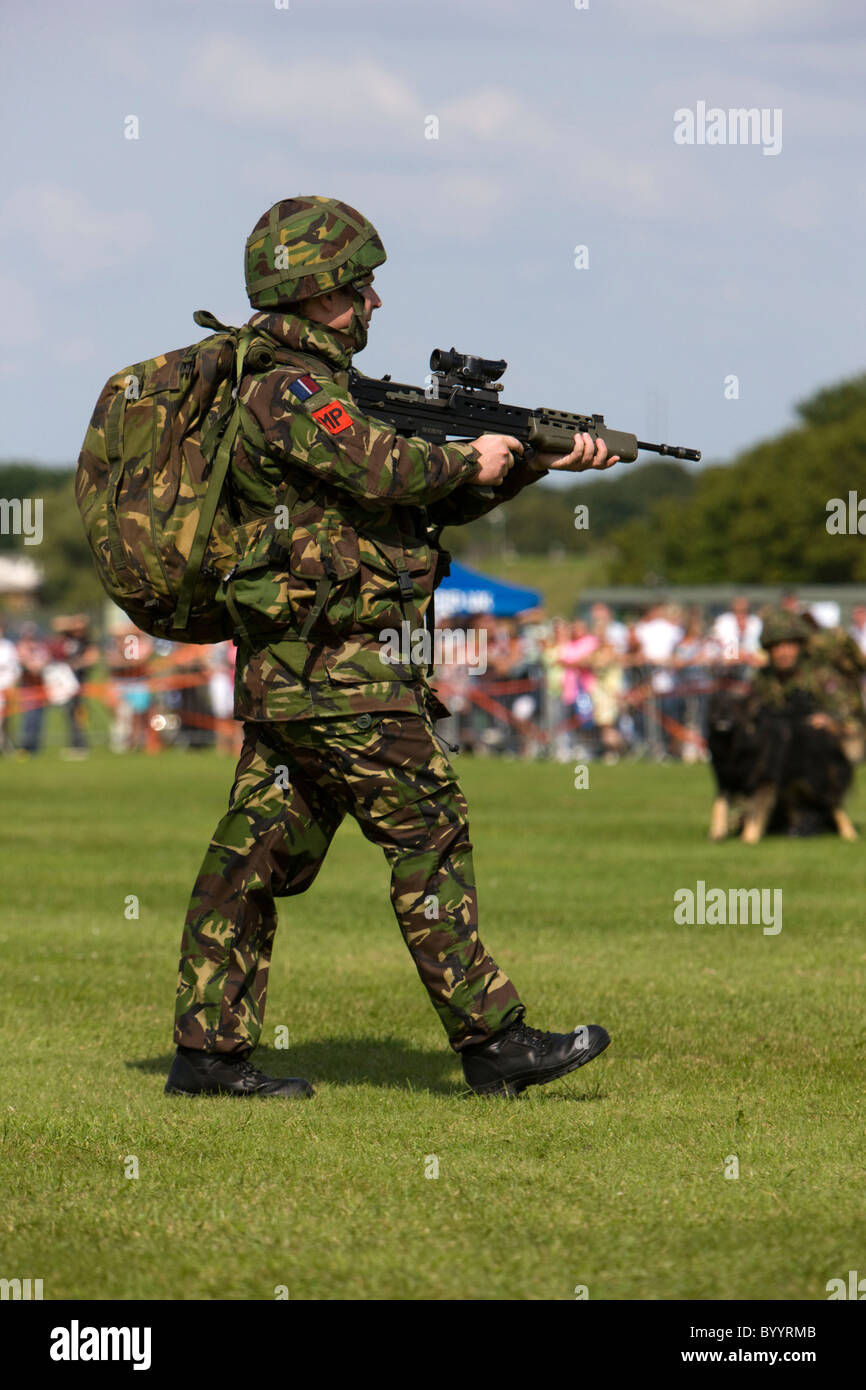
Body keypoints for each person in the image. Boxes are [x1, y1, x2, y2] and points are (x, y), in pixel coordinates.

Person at [165, 195, 617, 1101]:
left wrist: (526, 458)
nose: (376, 304)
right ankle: (495, 1042)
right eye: (362, 287)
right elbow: (393, 470)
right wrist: (474, 456)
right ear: (317, 290)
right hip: (341, 670)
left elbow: (411, 503)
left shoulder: (309, 387)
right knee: (430, 830)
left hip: (306, 669)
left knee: (253, 856)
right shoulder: (289, 388)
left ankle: (208, 1056)